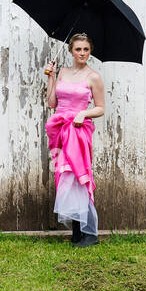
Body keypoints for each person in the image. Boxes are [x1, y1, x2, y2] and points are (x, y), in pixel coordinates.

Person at [44, 33, 105, 247]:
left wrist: (84, 114)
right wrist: (50, 77)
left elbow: (100, 108)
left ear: (90, 52)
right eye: (78, 49)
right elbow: (52, 102)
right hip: (60, 129)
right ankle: (76, 233)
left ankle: (89, 234)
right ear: (71, 51)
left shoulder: (93, 77)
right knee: (64, 176)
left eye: (86, 50)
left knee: (78, 176)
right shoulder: (63, 72)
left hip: (77, 131)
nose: (82, 53)